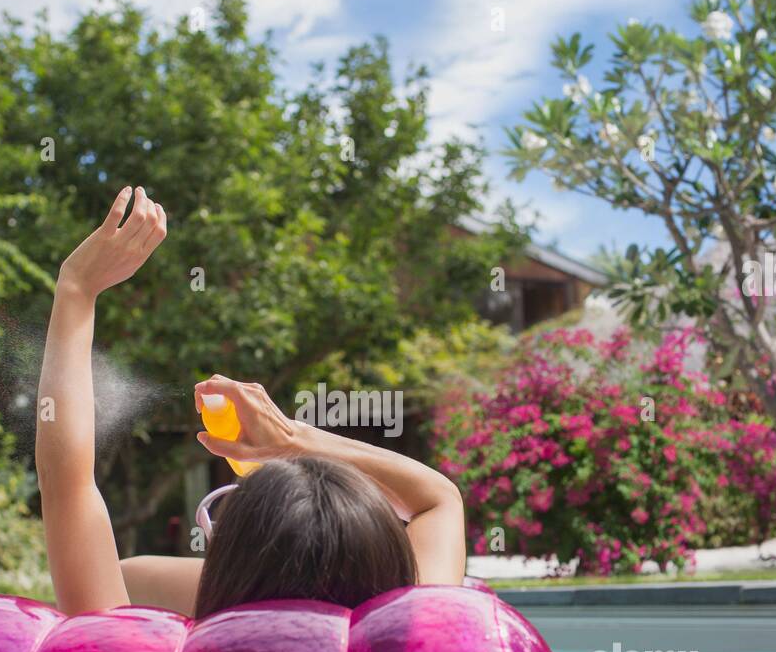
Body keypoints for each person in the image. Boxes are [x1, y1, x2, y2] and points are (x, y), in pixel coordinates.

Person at [36, 185, 465, 617]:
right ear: (392, 568)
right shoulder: (416, 631)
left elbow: (66, 483)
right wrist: (291, 439)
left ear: (227, 567)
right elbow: (438, 498)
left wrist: (76, 288)